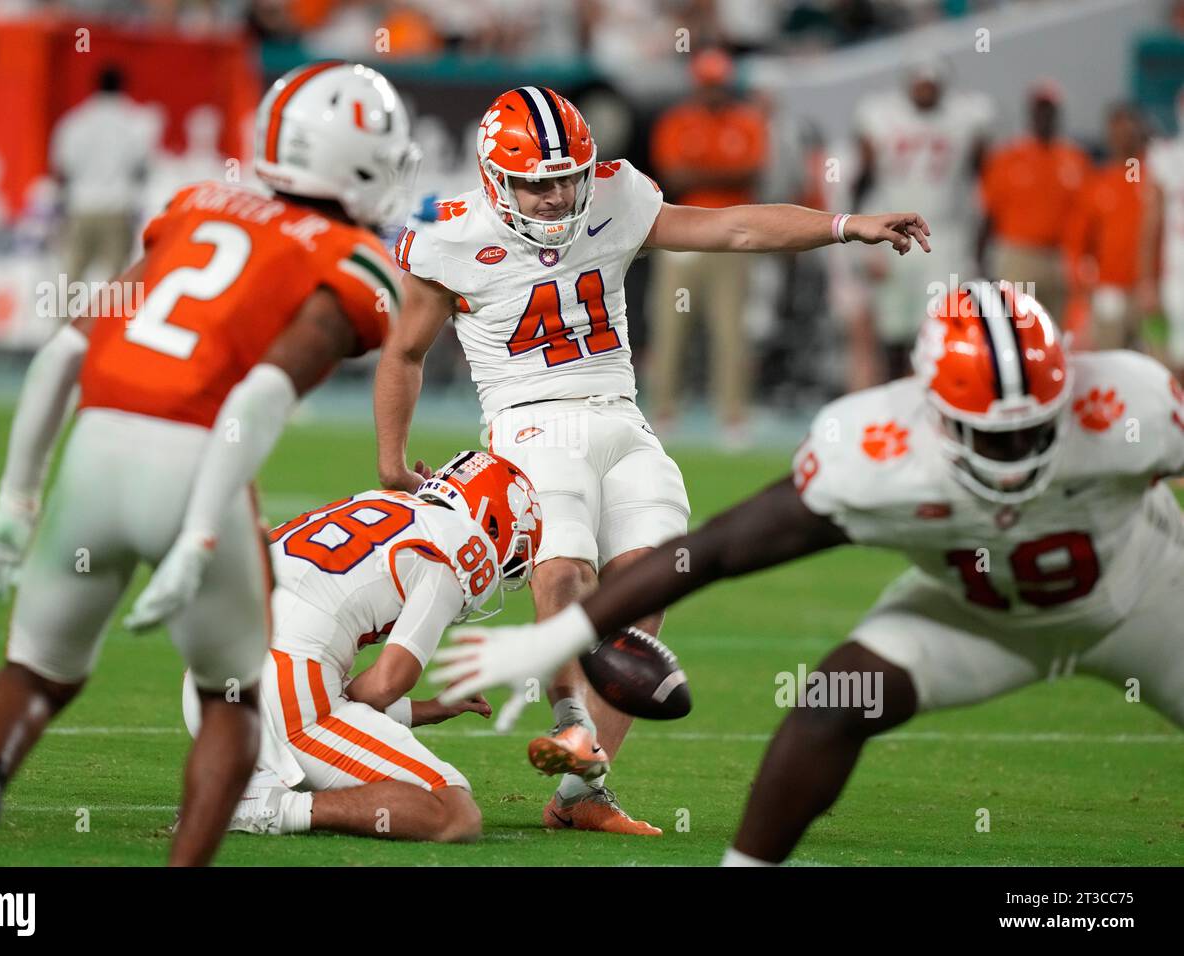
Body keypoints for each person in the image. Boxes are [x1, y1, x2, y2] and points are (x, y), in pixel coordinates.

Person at [434, 280, 1184, 866]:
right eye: (991, 434)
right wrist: (562, 633)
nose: (1014, 456)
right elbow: (719, 550)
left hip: (1145, 592)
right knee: (831, 701)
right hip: (975, 611)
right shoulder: (875, 449)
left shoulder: (1131, 400)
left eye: (1032, 431)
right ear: (930, 408)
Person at [374, 83, 930, 835]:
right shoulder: (450, 237)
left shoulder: (616, 196)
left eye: (566, 178)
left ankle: (583, 792)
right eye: (537, 185)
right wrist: (393, 460)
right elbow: (404, 352)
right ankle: (570, 725)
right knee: (565, 570)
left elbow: (733, 228)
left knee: (652, 580)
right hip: (530, 424)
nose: (555, 197)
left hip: (622, 416)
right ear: (495, 180)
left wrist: (843, 224)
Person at [0, 62, 418, 867]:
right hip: (193, 461)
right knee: (232, 700)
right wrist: (195, 536)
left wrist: (14, 502)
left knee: (37, 668)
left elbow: (60, 358)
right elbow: (255, 398)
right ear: (363, 160)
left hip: (93, 449)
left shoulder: (194, 209)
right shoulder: (355, 259)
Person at [183, 452, 542, 842]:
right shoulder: (460, 543)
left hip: (206, 685)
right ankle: (271, 807)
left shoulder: (377, 500)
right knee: (453, 813)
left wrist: (424, 711)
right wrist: (348, 701)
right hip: (281, 695)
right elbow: (387, 682)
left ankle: (257, 780)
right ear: (492, 523)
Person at [646, 47, 768, 447]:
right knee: (670, 325)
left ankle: (733, 416)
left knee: (730, 328)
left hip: (731, 234)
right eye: (708, 85)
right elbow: (673, 175)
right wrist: (720, 174)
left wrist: (703, 172)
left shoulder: (746, 121)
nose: (714, 93)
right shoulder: (677, 121)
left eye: (719, 85)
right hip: (682, 233)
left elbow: (751, 171)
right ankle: (663, 409)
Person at [851, 60, 992, 384]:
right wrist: (861, 246)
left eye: (932, 84)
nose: (925, 90)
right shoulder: (881, 116)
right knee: (893, 331)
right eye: (920, 83)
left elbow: (981, 182)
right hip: (893, 231)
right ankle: (894, 402)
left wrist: (977, 250)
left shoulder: (967, 117)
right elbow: (864, 182)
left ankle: (935, 398)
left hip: (943, 235)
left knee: (941, 327)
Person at [980, 81, 1089, 325]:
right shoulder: (1008, 157)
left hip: (1060, 257)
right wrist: (980, 261)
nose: (1044, 115)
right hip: (1019, 254)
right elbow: (989, 213)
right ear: (1030, 113)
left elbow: (1087, 215)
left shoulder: (1074, 158)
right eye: (1040, 109)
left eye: (1049, 109)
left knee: (1055, 329)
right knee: (1018, 326)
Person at [50, 65, 158, 307]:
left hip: (81, 209)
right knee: (116, 283)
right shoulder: (134, 123)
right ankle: (108, 338)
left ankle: (64, 337)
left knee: (71, 280)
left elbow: (63, 169)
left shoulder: (75, 122)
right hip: (116, 210)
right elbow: (142, 170)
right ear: (122, 86)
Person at [1065, 104, 1146, 350]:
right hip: (1109, 290)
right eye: (1116, 132)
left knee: (1157, 364)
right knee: (1111, 359)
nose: (1122, 138)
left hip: (1148, 292)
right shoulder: (1097, 183)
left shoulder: (1153, 177)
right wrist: (1085, 287)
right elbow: (1077, 241)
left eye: (1128, 131)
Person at [1140, 87, 1184, 377]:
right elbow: (1150, 227)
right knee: (1172, 368)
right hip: (1176, 281)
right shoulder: (1167, 157)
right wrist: (1147, 281)